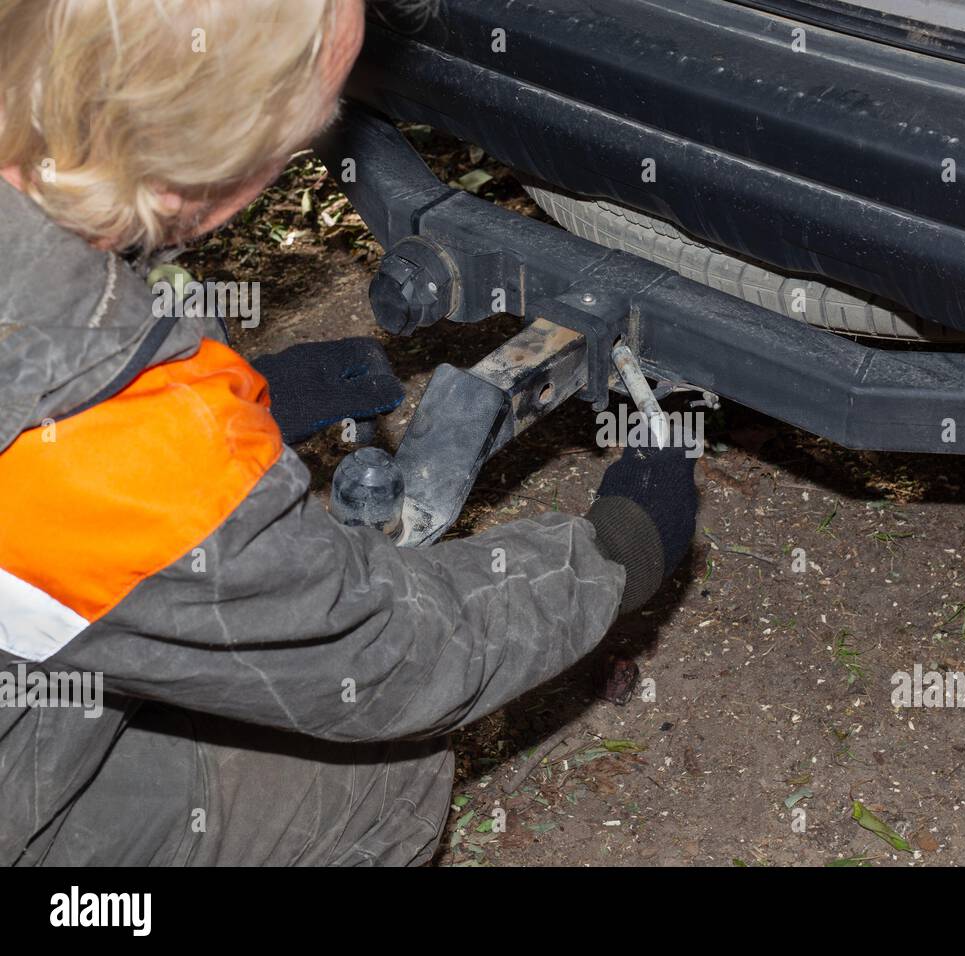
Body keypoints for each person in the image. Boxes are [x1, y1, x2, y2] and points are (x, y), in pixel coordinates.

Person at [0, 0, 697, 865]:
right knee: (378, 778)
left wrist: (246, 407)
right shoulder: (101, 453)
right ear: (211, 175)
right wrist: (611, 555)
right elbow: (380, 654)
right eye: (303, 132)